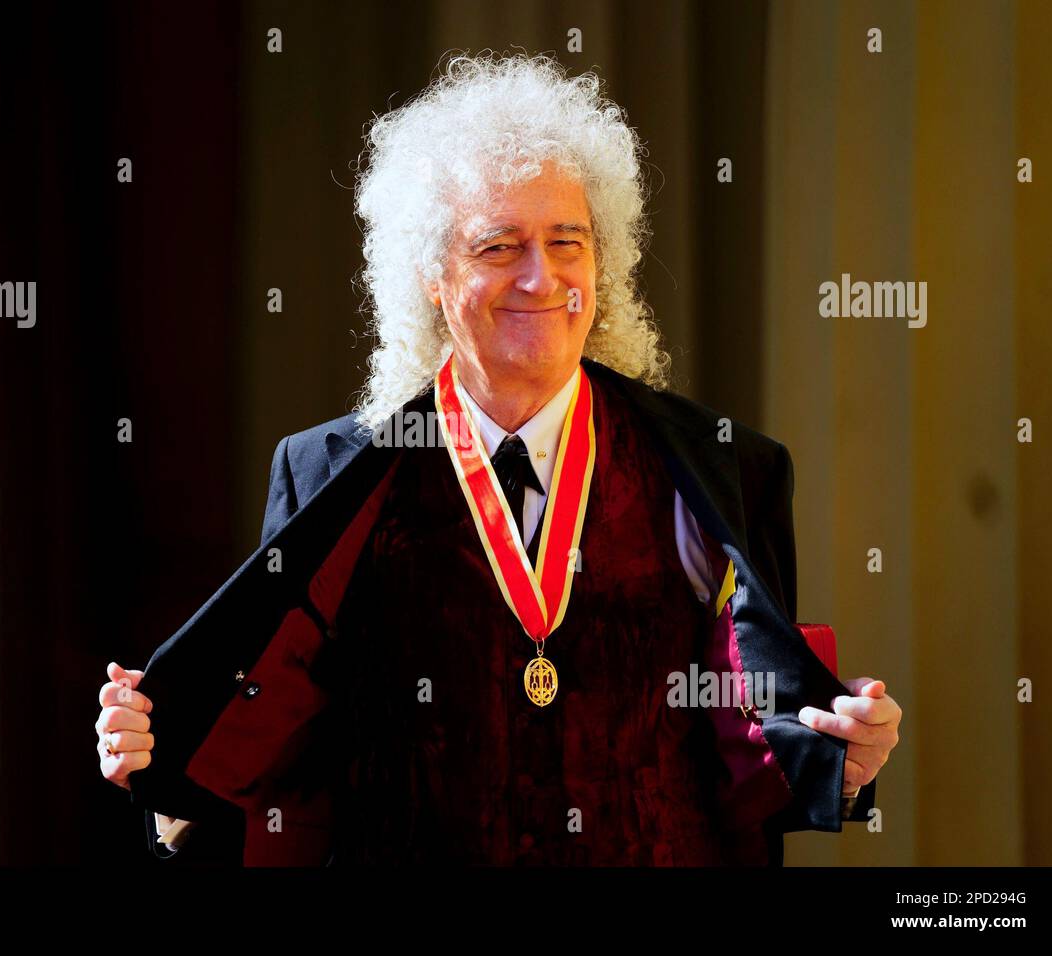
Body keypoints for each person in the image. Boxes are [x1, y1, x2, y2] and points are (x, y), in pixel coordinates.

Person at [96, 52, 900, 865]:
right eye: (498, 247)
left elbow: (750, 744)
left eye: (567, 242)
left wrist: (841, 756)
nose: (541, 277)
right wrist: (160, 763)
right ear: (432, 276)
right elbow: (274, 750)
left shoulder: (725, 469)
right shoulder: (328, 476)